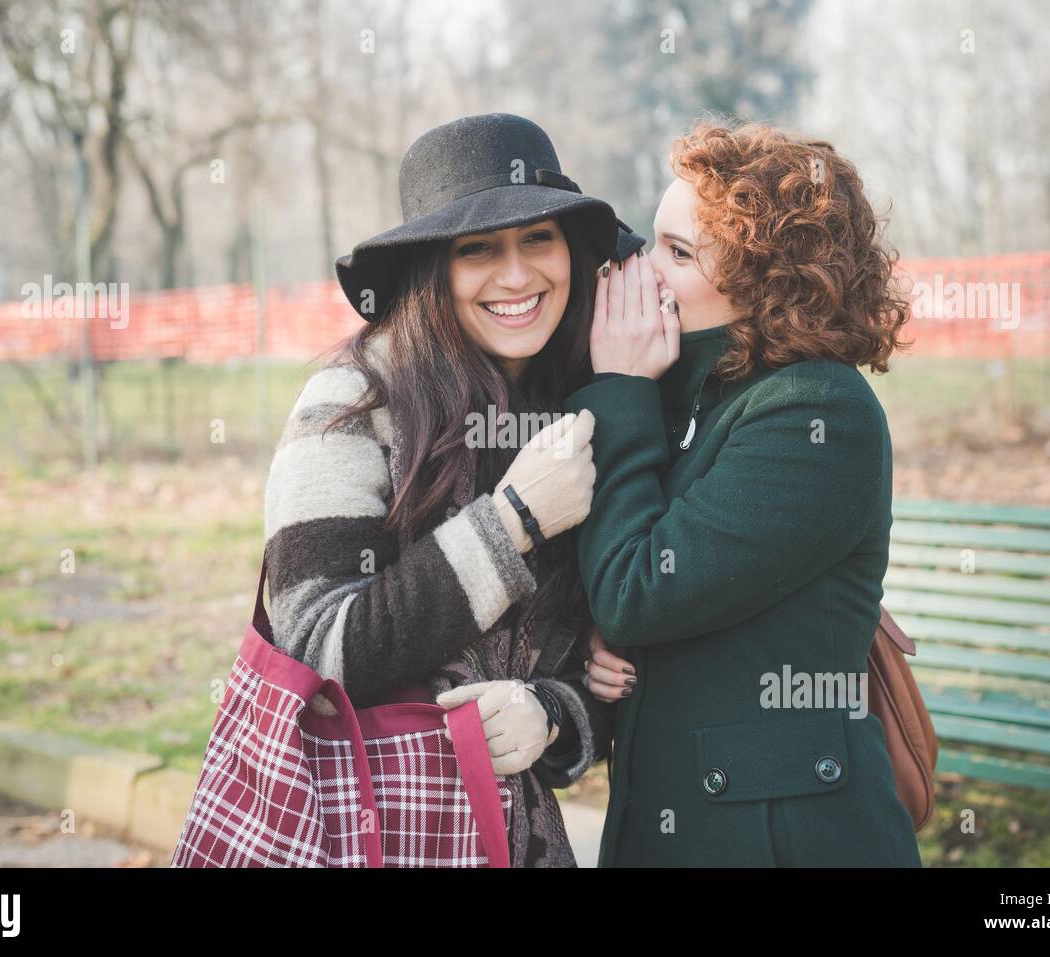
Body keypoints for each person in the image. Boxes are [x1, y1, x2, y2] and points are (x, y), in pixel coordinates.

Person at [262, 112, 644, 867]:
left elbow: (596, 675)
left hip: (519, 842)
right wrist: (514, 522)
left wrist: (553, 715)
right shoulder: (353, 402)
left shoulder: (570, 412)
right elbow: (315, 654)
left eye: (539, 238)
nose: (516, 275)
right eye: (479, 250)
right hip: (367, 834)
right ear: (432, 268)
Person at [571, 120, 922, 866]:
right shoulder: (699, 389)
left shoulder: (817, 411)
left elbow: (636, 588)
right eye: (651, 240)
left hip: (778, 838)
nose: (642, 269)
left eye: (679, 252)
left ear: (767, 287)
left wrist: (621, 388)